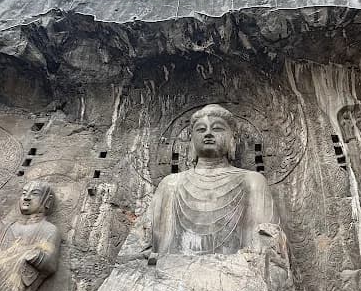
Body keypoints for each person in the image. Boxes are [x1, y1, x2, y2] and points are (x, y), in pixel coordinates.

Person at [116, 104, 278, 262]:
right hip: (171, 272)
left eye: (217, 129)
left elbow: (265, 248)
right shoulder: (170, 184)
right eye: (201, 129)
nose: (208, 134)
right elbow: (139, 245)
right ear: (192, 141)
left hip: (231, 273)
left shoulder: (252, 181)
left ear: (231, 139)